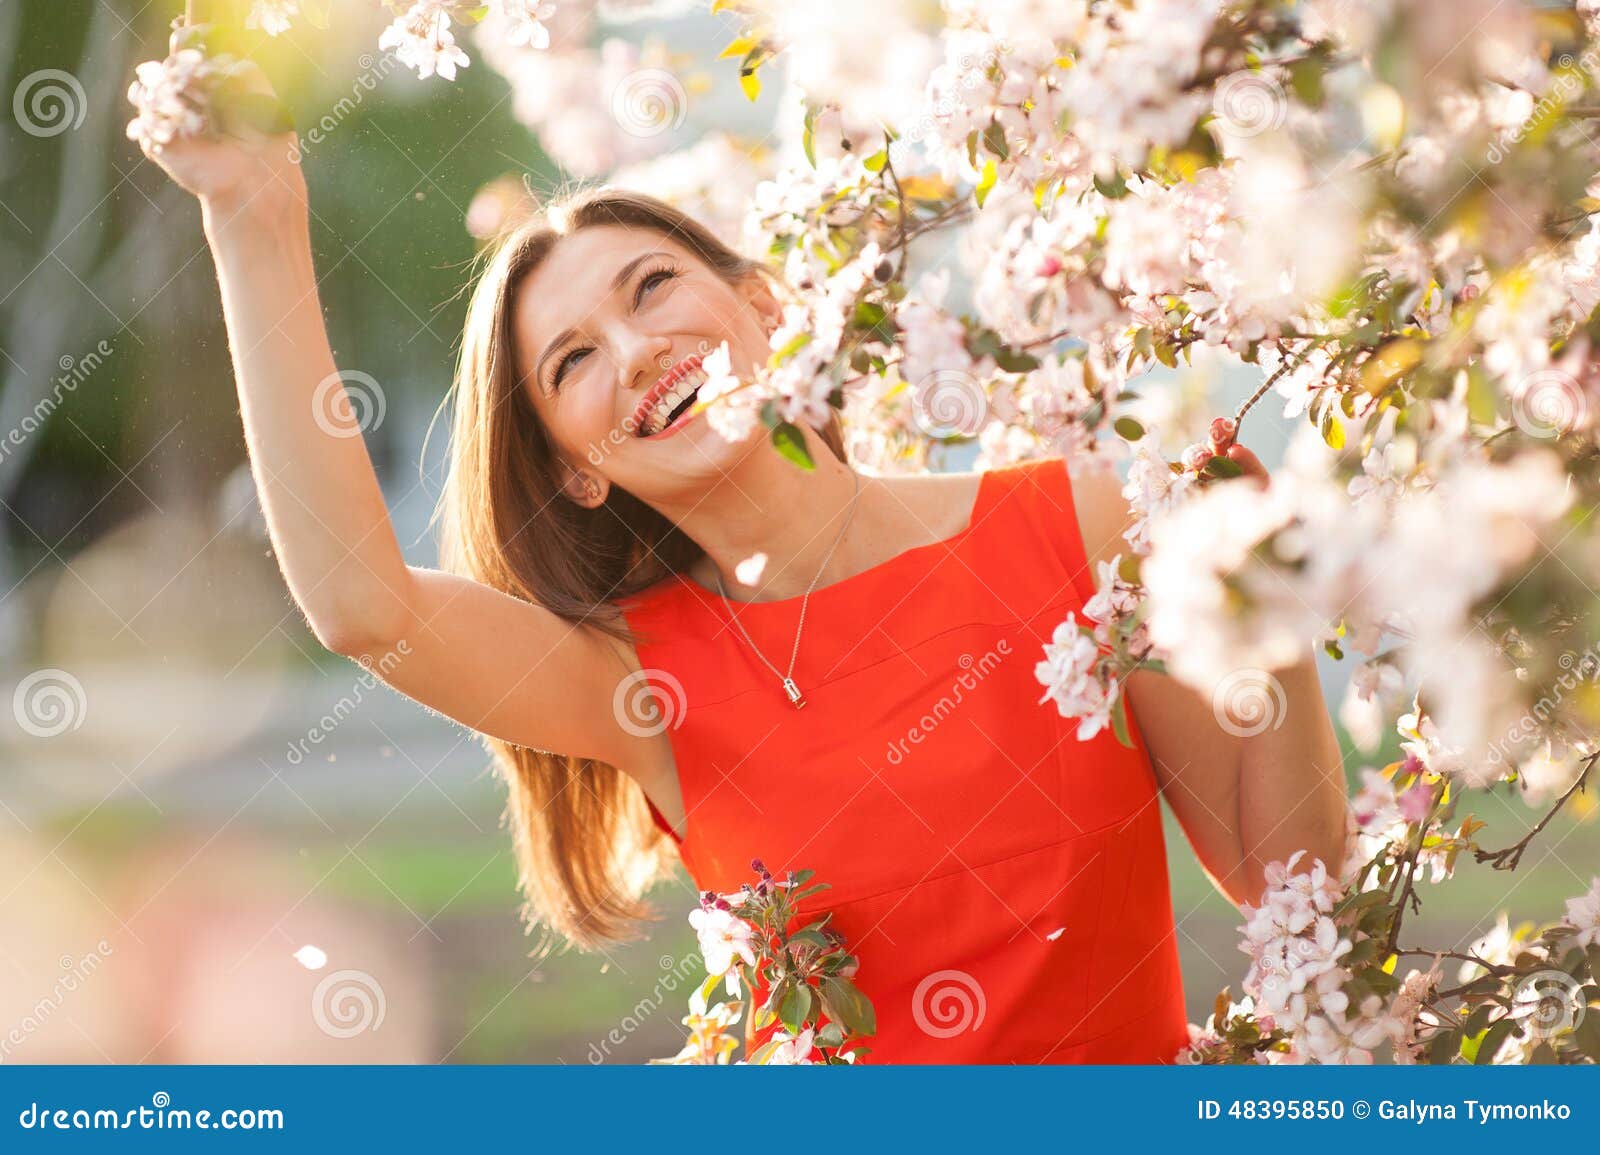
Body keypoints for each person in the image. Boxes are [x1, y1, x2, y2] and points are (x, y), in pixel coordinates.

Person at [135, 63, 1348, 1064]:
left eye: (653, 286)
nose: (634, 349)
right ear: (577, 471)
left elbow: (1283, 873)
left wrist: (1270, 600)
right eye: (572, 361)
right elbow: (362, 606)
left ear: (764, 303)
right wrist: (254, 213)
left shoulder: (1087, 525)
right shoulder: (640, 684)